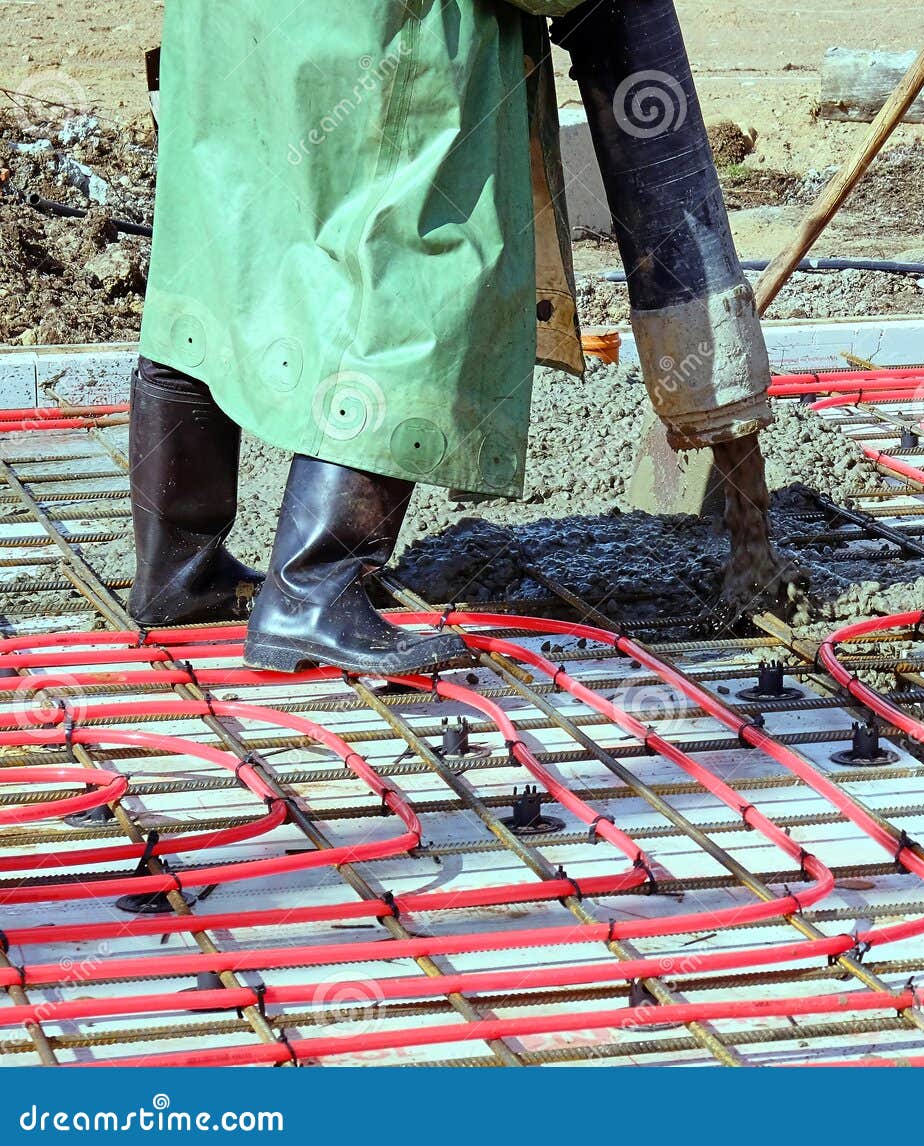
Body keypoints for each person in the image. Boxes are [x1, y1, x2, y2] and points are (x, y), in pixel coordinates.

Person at [131, 0, 773, 674]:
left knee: (224, 242)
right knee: (419, 268)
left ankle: (178, 571)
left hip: (232, 29)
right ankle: (312, 592)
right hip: (378, 39)